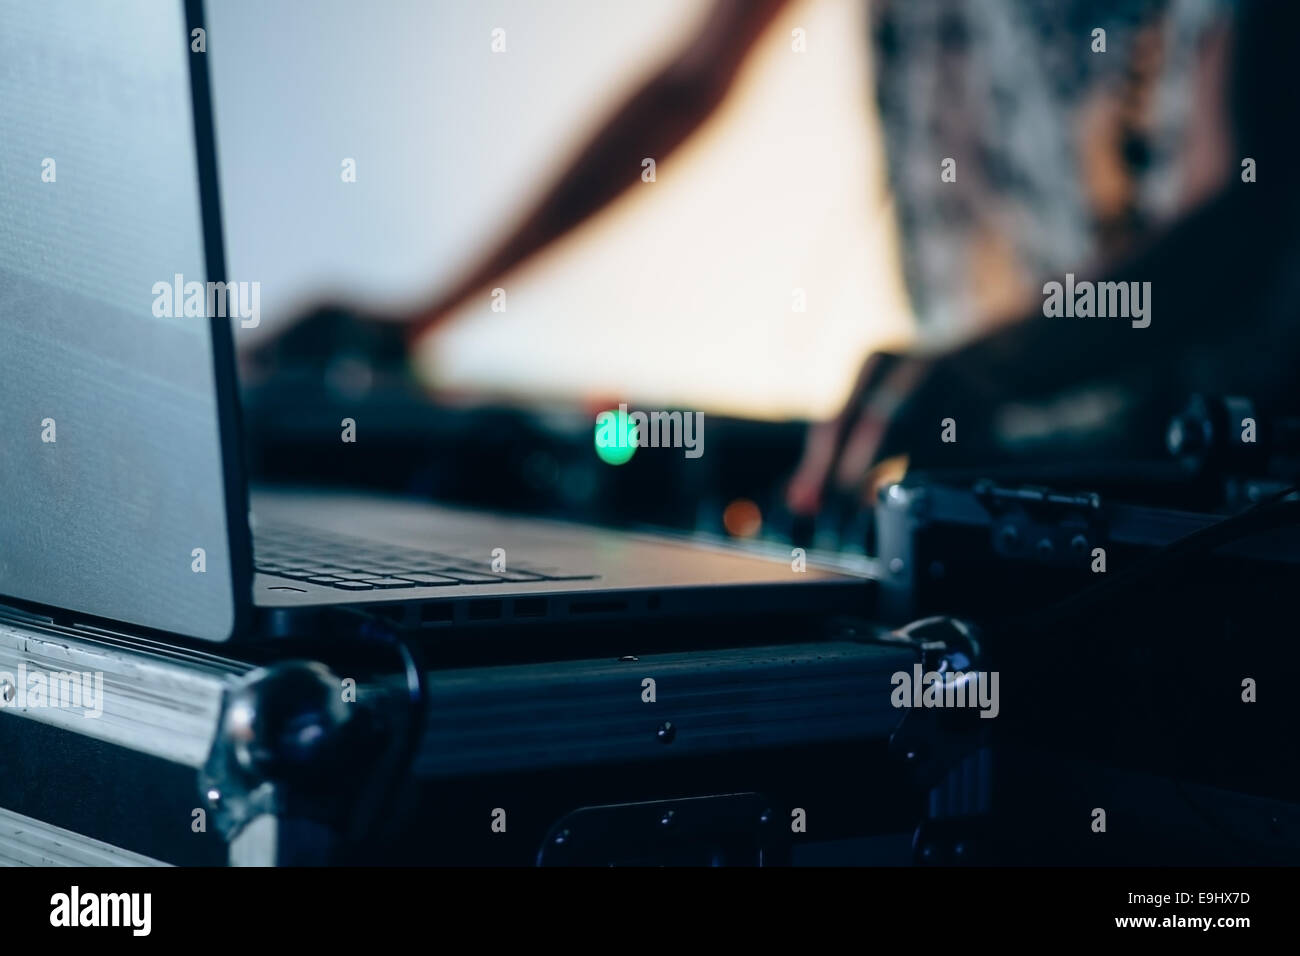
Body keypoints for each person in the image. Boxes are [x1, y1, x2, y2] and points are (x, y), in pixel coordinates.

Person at [251, 0, 1300, 519]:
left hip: (1217, 479)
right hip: (981, 451)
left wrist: (990, 364)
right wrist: (427, 314)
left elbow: (1242, 203)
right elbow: (685, 86)